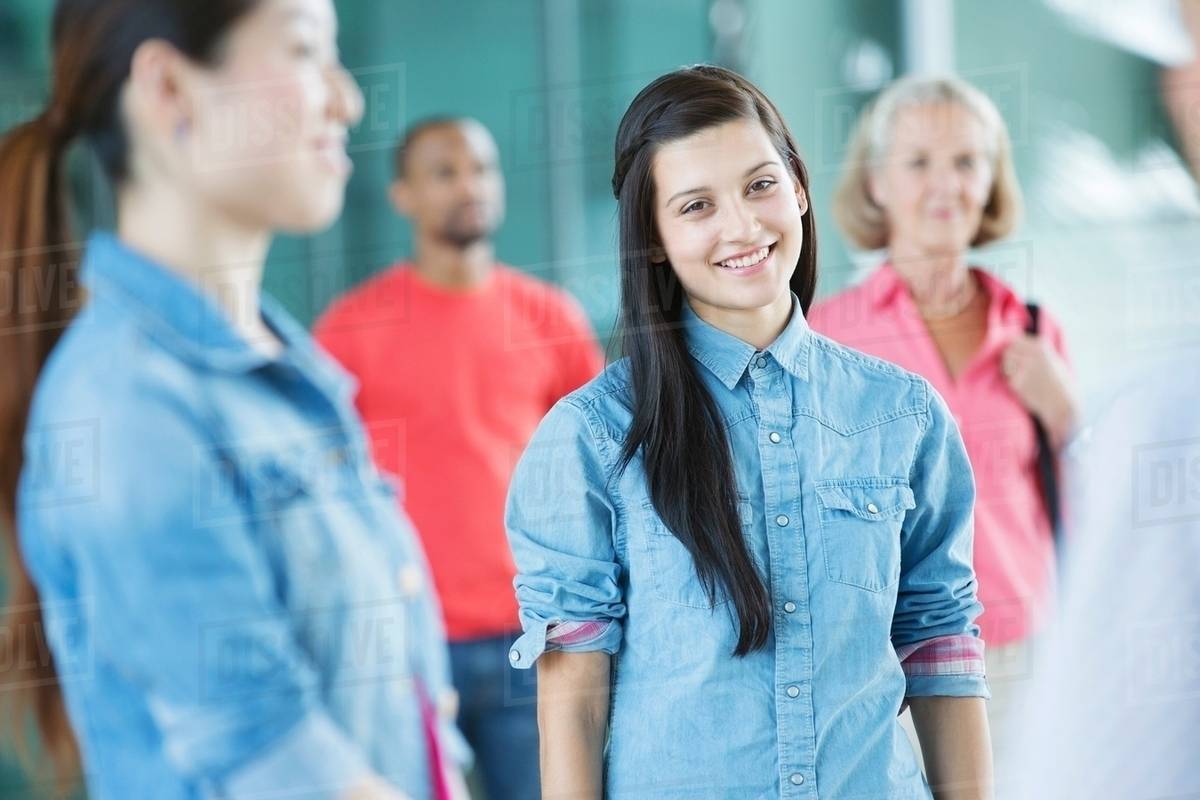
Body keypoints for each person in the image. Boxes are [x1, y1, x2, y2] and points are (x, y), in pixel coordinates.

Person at [0, 1, 466, 798]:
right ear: (171, 91)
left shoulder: (290, 371)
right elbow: (283, 772)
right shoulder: (128, 407)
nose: (346, 98)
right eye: (303, 49)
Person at [505, 65, 992, 799]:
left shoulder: (905, 415)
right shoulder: (590, 438)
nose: (743, 226)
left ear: (798, 186)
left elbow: (942, 641)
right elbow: (572, 703)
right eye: (696, 205)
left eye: (760, 185)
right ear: (656, 237)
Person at [314, 116, 603, 799]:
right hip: (402, 648)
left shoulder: (550, 319)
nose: (468, 185)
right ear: (403, 196)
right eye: (445, 172)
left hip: (534, 639)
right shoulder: (352, 330)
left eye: (482, 168)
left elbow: (601, 479)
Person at [807, 75, 1078, 754]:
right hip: (888, 663)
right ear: (875, 182)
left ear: (991, 180)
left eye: (966, 161)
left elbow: (1091, 503)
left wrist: (1069, 415)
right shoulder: (826, 337)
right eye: (918, 161)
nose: (946, 184)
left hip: (1025, 652)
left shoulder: (1033, 329)